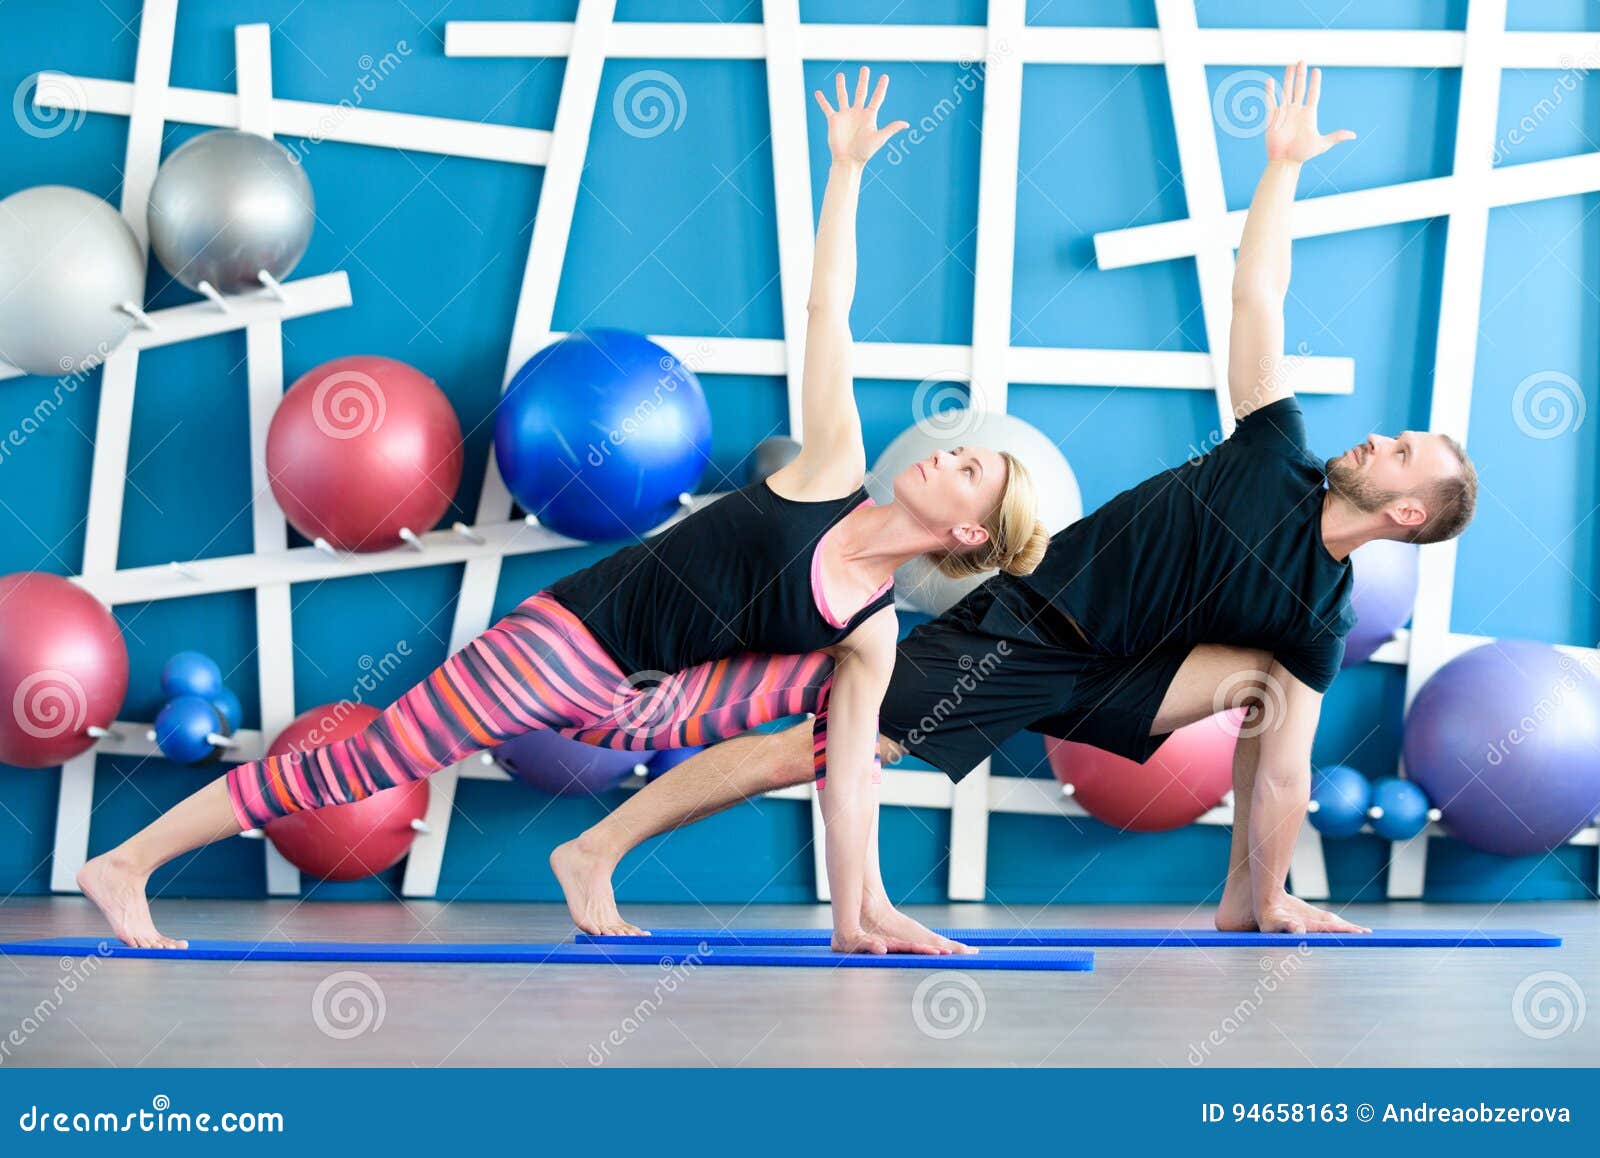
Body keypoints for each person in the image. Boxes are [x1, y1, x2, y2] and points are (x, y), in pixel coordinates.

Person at [78, 67, 1048, 955]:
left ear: (968, 533)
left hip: (643, 707)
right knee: (366, 764)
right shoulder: (829, 470)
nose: (954, 453)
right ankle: (123, 865)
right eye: (965, 450)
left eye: (974, 474)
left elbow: (845, 782)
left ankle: (859, 912)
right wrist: (843, 173)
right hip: (560, 648)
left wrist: (858, 920)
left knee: (850, 717)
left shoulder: (870, 630)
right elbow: (827, 313)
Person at [554, 62, 1479, 939]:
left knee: (1276, 691)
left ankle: (1253, 899)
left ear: (1406, 513)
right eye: (1395, 435)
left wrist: (1280, 890)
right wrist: (1280, 169)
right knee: (833, 745)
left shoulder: (1321, 612)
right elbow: (1258, 295)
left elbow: (1284, 775)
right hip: (1024, 635)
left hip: (1126, 676)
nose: (1379, 440)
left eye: (1401, 454)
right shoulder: (1275, 449)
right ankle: (596, 849)